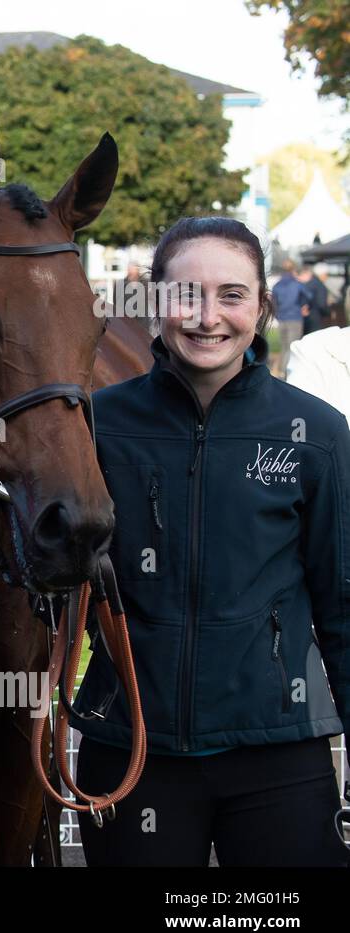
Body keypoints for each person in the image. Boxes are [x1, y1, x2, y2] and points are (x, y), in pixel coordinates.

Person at [71, 217, 350, 867]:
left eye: (231, 294)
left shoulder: (317, 433)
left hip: (278, 750)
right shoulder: (94, 426)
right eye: (186, 294)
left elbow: (343, 605)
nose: (208, 317)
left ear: (260, 304)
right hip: (134, 751)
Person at [271, 258, 313, 363]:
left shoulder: (277, 285)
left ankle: (282, 373)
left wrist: (277, 315)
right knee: (293, 349)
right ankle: (287, 375)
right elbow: (309, 296)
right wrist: (304, 306)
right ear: (294, 269)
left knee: (284, 348)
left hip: (281, 319)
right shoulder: (297, 284)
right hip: (295, 318)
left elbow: (273, 303)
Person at [299, 263, 330, 336]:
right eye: (326, 274)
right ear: (322, 274)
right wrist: (328, 312)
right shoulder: (320, 286)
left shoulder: (307, 284)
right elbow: (321, 304)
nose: (327, 276)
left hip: (305, 319)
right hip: (315, 319)